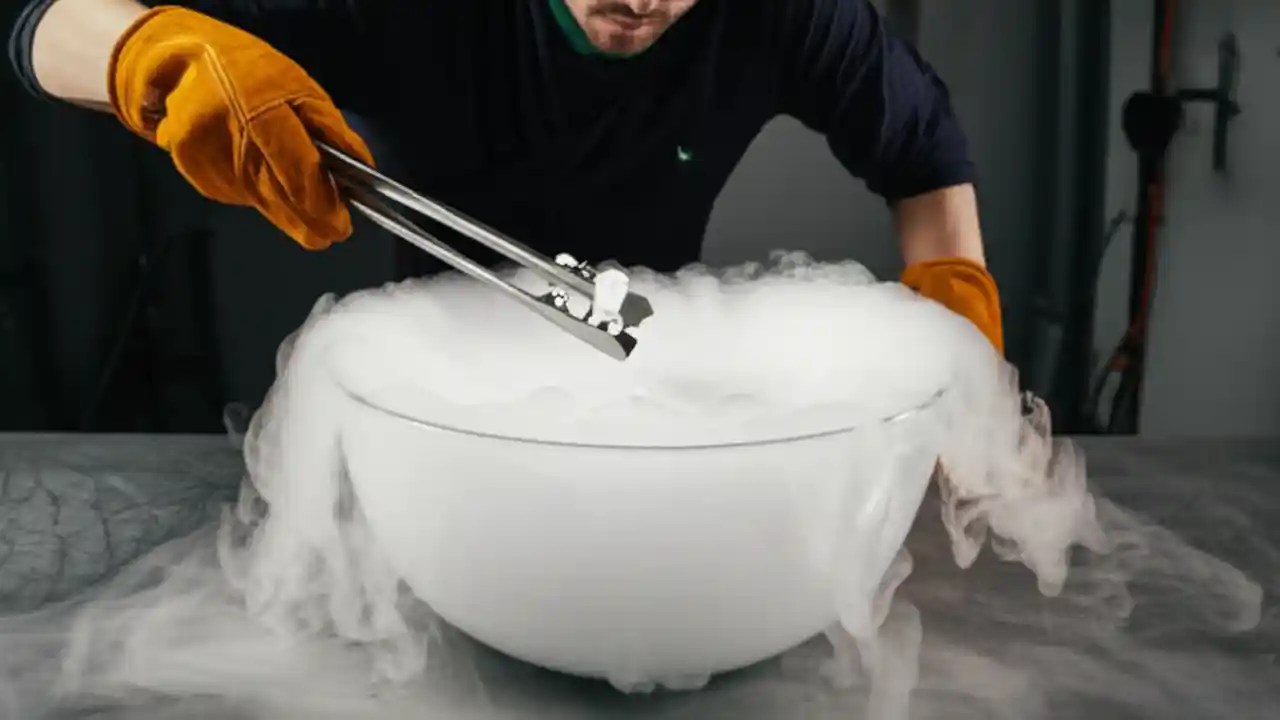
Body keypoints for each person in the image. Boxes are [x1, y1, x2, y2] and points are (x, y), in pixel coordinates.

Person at [9, 0, 1005, 353]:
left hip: (654, 358)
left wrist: (956, 342)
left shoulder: (788, 15)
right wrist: (149, 56)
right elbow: (38, 21)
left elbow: (921, 155)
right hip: (434, 367)